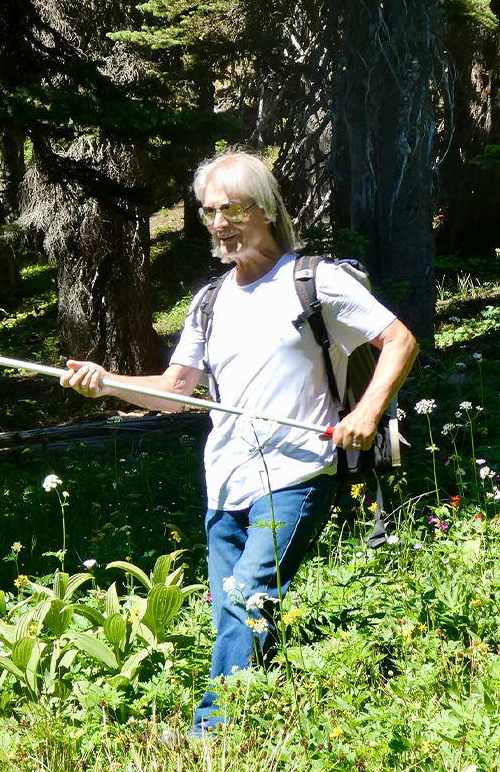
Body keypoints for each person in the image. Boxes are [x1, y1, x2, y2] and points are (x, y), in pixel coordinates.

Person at [60, 150, 418, 736]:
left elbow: (399, 340)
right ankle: (263, 717)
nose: (219, 223)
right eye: (209, 212)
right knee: (239, 604)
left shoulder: (315, 280)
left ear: (267, 210)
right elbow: (176, 391)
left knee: (246, 595)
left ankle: (211, 733)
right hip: (226, 479)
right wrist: (107, 383)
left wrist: (367, 411)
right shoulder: (210, 301)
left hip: (297, 472)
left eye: (233, 209)